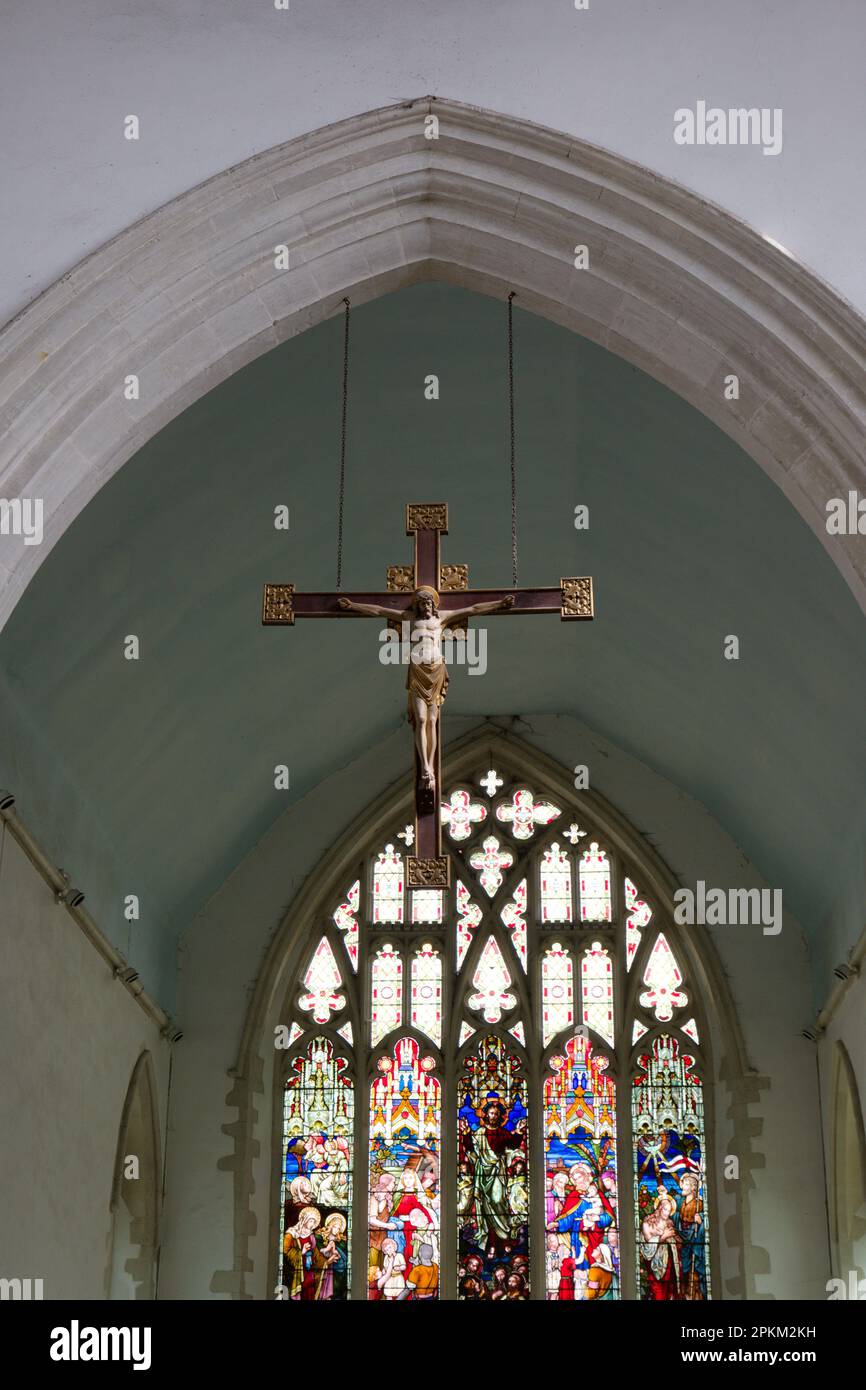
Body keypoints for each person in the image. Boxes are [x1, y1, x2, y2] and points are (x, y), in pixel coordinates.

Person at [337, 587, 515, 795]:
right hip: (418, 670)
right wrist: (353, 606)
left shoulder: (442, 619)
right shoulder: (409, 618)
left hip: (436, 668)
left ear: (433, 605)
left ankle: (429, 766)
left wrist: (500, 604)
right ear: (417, 606)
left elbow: (472, 609)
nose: (427, 607)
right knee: (420, 720)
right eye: (423, 604)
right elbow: (379, 610)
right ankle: (425, 767)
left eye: (429, 603)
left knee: (432, 721)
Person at [282, 1206, 325, 1300]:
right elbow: (285, 1251)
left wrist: (326, 1261)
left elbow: (316, 1253)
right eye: (310, 1221)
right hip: (297, 1270)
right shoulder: (291, 1233)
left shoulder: (311, 1236)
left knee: (310, 1287)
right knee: (303, 1287)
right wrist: (302, 1252)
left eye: (314, 1222)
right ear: (304, 1220)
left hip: (309, 1269)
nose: (312, 1224)